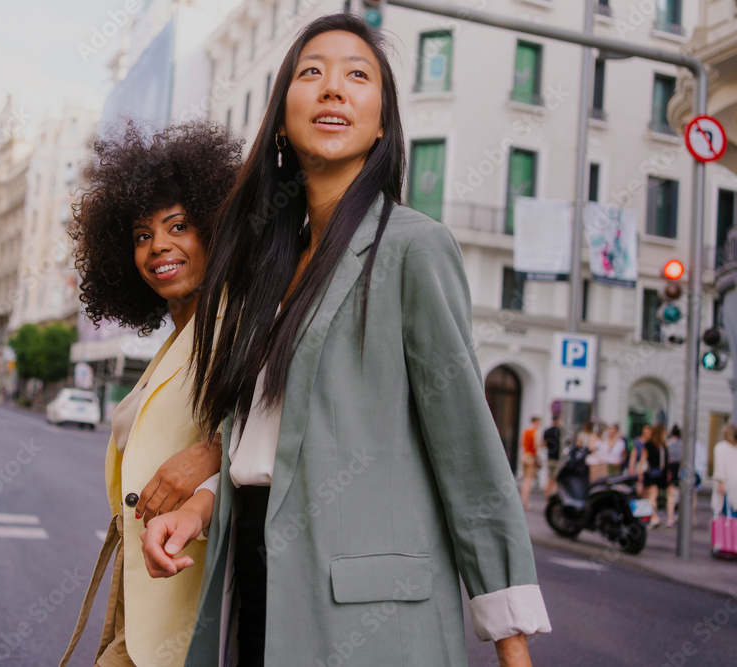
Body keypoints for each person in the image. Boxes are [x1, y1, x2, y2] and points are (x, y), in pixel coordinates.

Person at [139, 14, 550, 667]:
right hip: (252, 581)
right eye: (312, 73)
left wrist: (513, 646)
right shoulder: (262, 269)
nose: (333, 87)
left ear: (382, 123)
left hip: (366, 617)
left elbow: (468, 452)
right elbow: (265, 440)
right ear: (281, 120)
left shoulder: (414, 248)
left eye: (358, 75)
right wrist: (200, 507)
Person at [57, 122, 242, 667]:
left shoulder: (238, 325)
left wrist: (210, 451)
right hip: (142, 592)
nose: (158, 245)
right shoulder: (176, 340)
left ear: (215, 229)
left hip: (191, 597)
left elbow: (279, 426)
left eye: (178, 226)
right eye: (142, 235)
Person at [639, 424, 670, 528]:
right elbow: (643, 460)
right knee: (649, 496)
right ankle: (651, 517)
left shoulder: (662, 445)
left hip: (658, 475)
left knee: (650, 496)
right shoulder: (650, 445)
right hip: (651, 474)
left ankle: (648, 518)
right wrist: (640, 474)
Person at [713, 423, 737, 519]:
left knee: (725, 515)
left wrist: (720, 483)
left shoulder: (720, 447)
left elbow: (719, 466)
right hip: (734, 485)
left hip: (726, 485)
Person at [521, 416, 542, 509]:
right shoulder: (535, 431)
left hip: (524, 455)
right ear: (536, 422)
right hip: (531, 457)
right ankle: (525, 502)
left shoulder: (525, 431)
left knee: (525, 479)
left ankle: (523, 500)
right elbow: (536, 445)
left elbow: (521, 443)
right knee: (529, 481)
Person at [665, 424, 683, 527]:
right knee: (679, 494)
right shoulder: (682, 444)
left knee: (671, 495)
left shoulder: (669, 443)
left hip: (671, 469)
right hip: (680, 469)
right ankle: (675, 514)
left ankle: (670, 517)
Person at [543, 416, 563, 496]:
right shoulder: (559, 431)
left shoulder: (547, 431)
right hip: (557, 458)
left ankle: (546, 495)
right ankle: (553, 496)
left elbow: (544, 443)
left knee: (549, 479)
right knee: (555, 480)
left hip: (549, 457)